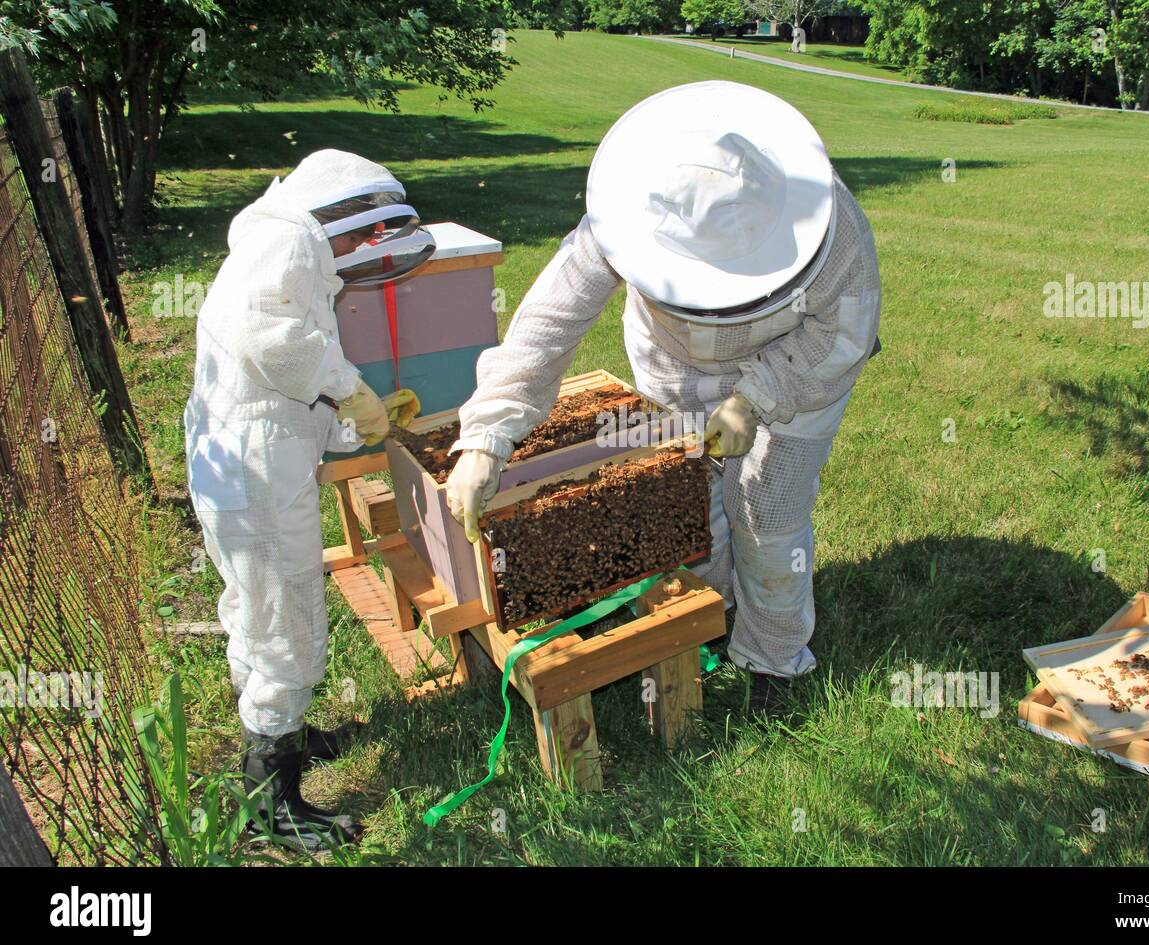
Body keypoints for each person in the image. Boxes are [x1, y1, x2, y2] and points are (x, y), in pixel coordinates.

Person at [445, 82, 881, 714]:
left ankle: (774, 658)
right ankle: (710, 614)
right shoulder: (625, 214)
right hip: (673, 364)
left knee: (768, 512)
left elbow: (838, 339)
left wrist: (755, 398)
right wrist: (487, 434)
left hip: (796, 372)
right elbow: (549, 320)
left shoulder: (837, 237)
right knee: (687, 495)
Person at [184, 149, 430, 850]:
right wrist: (350, 390)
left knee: (255, 607)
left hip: (245, 456)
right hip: (253, 470)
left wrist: (353, 413)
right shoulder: (290, 239)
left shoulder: (281, 240)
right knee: (283, 622)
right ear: (341, 210)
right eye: (357, 235)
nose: (358, 250)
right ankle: (271, 801)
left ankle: (281, 730)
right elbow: (276, 343)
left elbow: (289, 355)